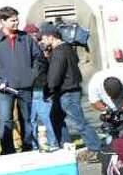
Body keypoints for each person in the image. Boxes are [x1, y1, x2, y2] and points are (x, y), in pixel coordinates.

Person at [0, 6, 44, 155]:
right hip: (5, 89)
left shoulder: (27, 38)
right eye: (12, 20)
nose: (17, 23)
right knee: (5, 120)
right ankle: (7, 151)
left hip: (25, 87)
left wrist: (32, 75)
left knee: (27, 120)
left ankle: (28, 149)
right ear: (2, 21)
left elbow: (39, 59)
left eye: (17, 19)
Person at [39, 23, 103, 160]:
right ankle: (66, 146)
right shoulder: (67, 49)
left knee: (79, 122)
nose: (42, 41)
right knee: (56, 117)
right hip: (66, 91)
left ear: (51, 37)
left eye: (43, 38)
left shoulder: (59, 52)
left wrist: (48, 90)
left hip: (66, 92)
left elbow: (54, 76)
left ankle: (95, 148)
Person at [23, 23, 60, 149]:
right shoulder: (39, 48)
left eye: (35, 35)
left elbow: (41, 68)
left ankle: (49, 143)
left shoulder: (38, 49)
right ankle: (42, 144)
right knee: (35, 120)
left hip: (37, 87)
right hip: (33, 88)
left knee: (41, 118)